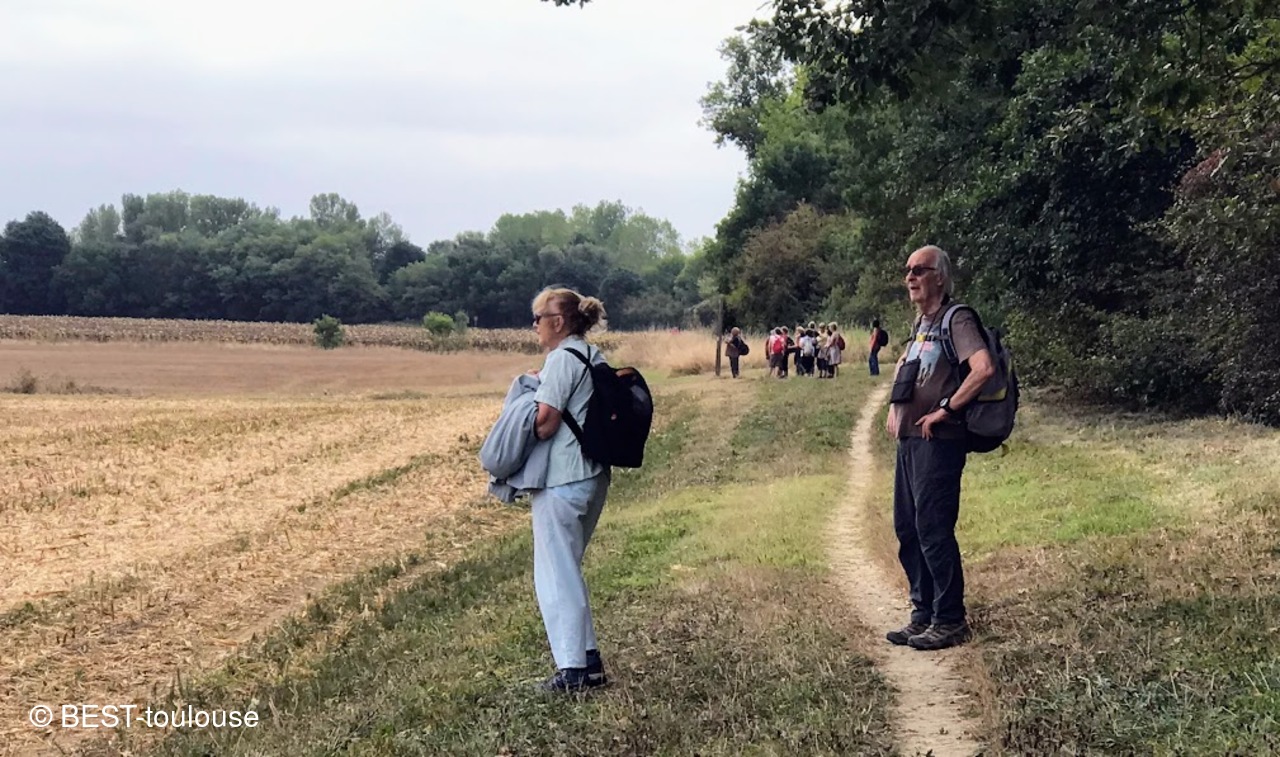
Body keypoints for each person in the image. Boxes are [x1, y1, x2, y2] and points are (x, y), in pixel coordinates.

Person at [884, 245, 995, 651]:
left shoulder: (957, 318)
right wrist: (897, 406)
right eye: (907, 269)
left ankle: (949, 619)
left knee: (932, 528)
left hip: (939, 442)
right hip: (910, 440)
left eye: (920, 270)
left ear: (940, 277)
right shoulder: (921, 322)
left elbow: (983, 368)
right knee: (908, 527)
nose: (911, 276)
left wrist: (945, 409)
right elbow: (906, 366)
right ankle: (923, 614)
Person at [527, 286, 613, 691]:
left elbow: (545, 421)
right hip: (594, 475)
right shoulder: (592, 355)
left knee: (555, 574)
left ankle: (574, 670)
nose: (535, 327)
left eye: (538, 319)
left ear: (557, 322)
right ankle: (589, 660)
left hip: (563, 478)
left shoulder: (561, 359)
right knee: (568, 569)